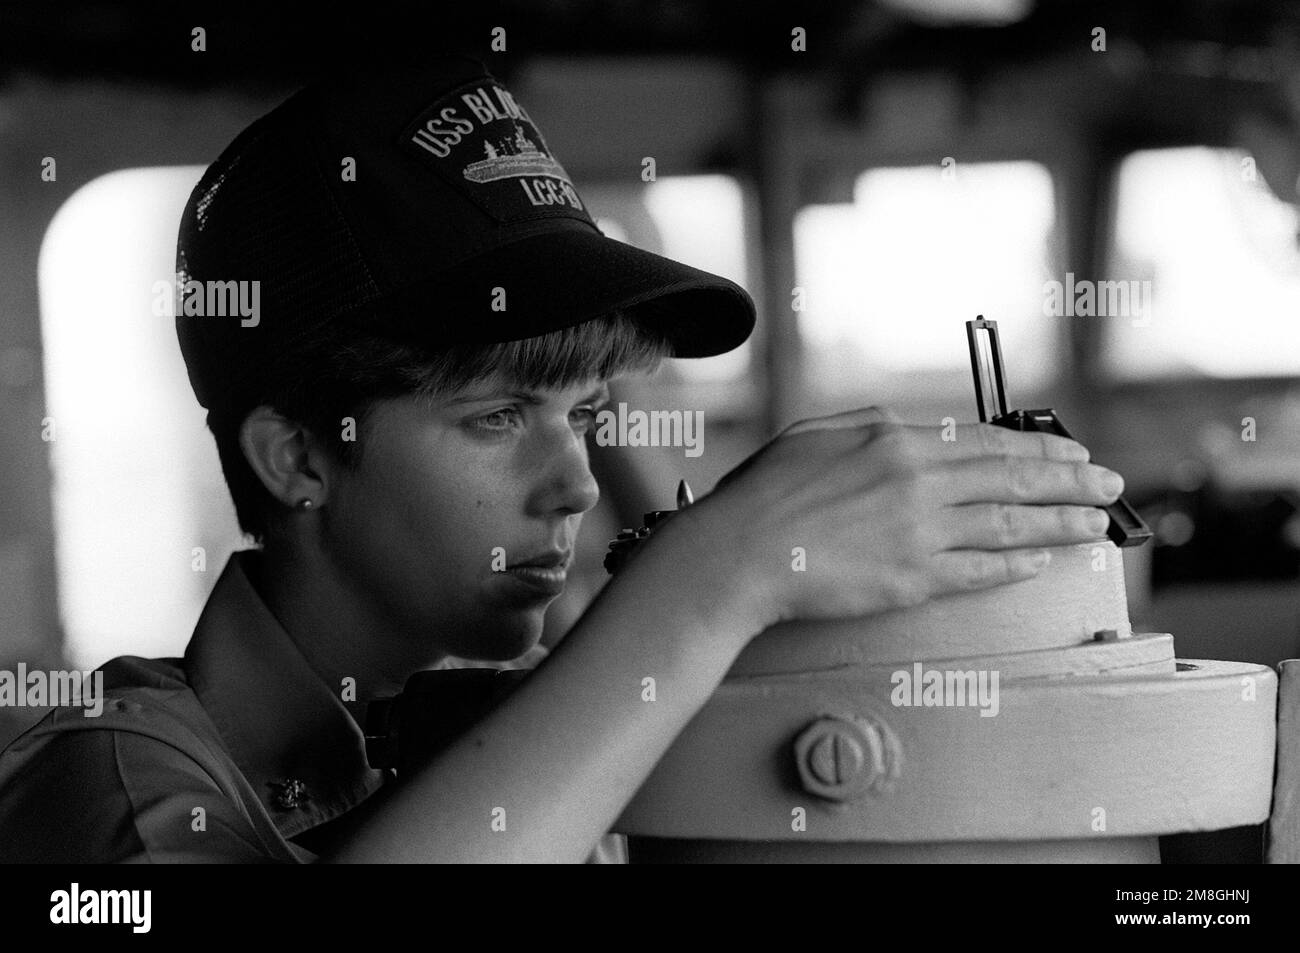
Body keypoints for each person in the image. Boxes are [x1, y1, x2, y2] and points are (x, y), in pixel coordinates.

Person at [0, 55, 1123, 863]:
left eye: (582, 415)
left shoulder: (509, 723)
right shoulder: (111, 792)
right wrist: (717, 576)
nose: (577, 484)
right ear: (298, 455)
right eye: (498, 417)